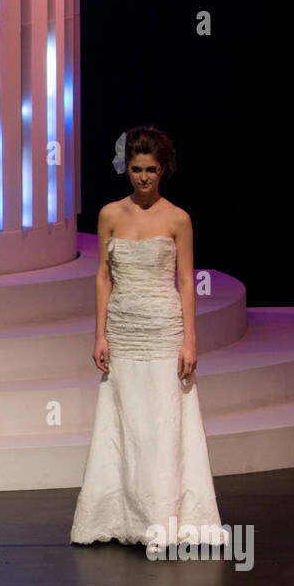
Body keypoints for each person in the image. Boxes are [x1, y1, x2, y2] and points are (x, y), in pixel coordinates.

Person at [70, 126, 225, 549]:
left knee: (163, 423)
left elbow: (187, 281)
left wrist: (190, 340)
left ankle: (163, 517)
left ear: (164, 170)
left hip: (163, 328)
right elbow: (103, 276)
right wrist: (99, 334)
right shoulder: (109, 214)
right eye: (137, 169)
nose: (143, 177)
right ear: (126, 168)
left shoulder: (178, 218)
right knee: (125, 422)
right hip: (122, 328)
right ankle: (123, 514)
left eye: (151, 169)